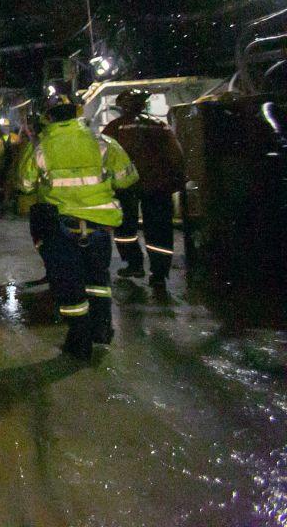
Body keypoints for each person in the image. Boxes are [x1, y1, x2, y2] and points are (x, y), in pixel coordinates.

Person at [18, 80, 139, 360]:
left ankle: (79, 340)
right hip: (99, 228)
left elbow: (24, 184)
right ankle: (102, 330)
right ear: (77, 113)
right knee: (98, 280)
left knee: (70, 285)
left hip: (61, 227)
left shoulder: (40, 147)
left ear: (47, 117)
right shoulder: (103, 143)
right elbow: (128, 178)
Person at [103, 88, 186, 289]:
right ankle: (158, 274)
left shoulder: (116, 127)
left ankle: (134, 264)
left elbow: (104, 158)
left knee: (125, 228)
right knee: (160, 231)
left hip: (127, 186)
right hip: (158, 187)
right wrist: (176, 182)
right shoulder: (161, 126)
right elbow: (177, 156)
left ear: (123, 106)